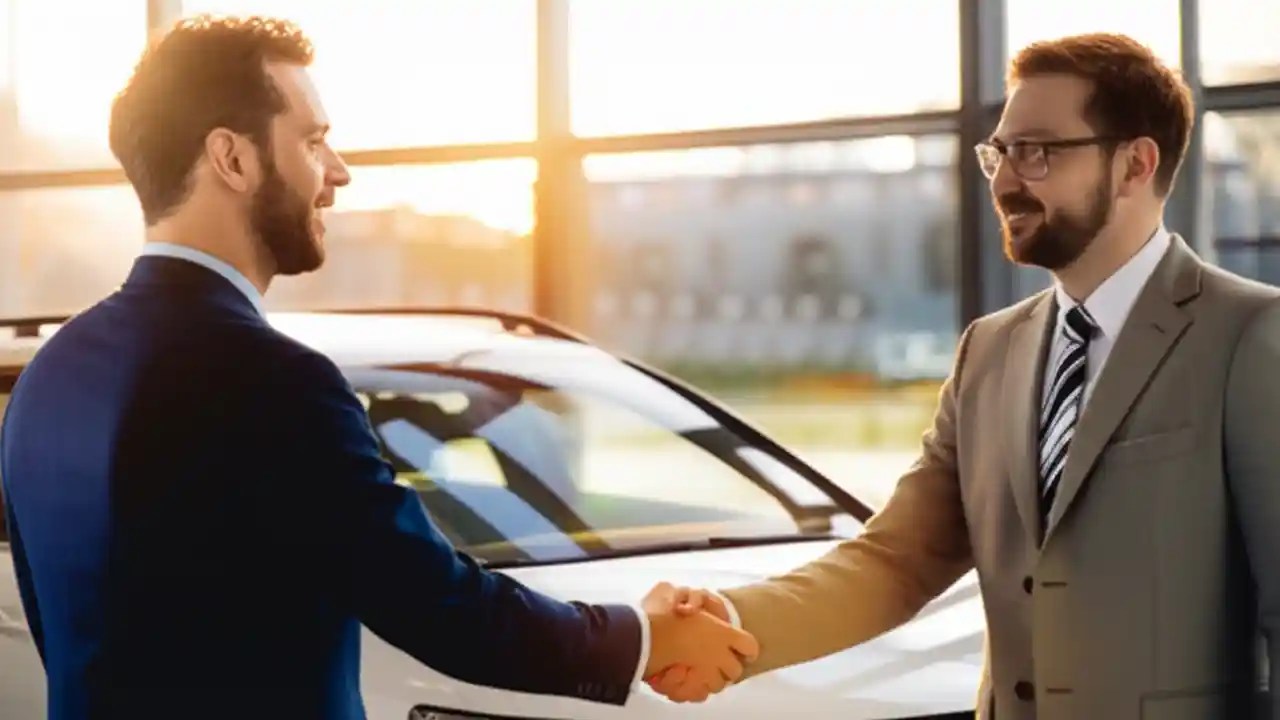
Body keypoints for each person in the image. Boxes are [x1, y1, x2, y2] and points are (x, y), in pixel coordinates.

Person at [0, 15, 755, 720]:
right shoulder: (275, 382)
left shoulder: (47, 377)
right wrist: (644, 637)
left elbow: (56, 626)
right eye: (313, 141)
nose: (339, 172)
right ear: (231, 157)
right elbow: (440, 606)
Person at [648, 32, 1280, 719]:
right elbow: (896, 561)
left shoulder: (1247, 335)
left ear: (1134, 164)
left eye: (1038, 151)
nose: (1007, 180)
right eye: (999, 153)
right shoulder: (990, 350)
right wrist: (734, 620)